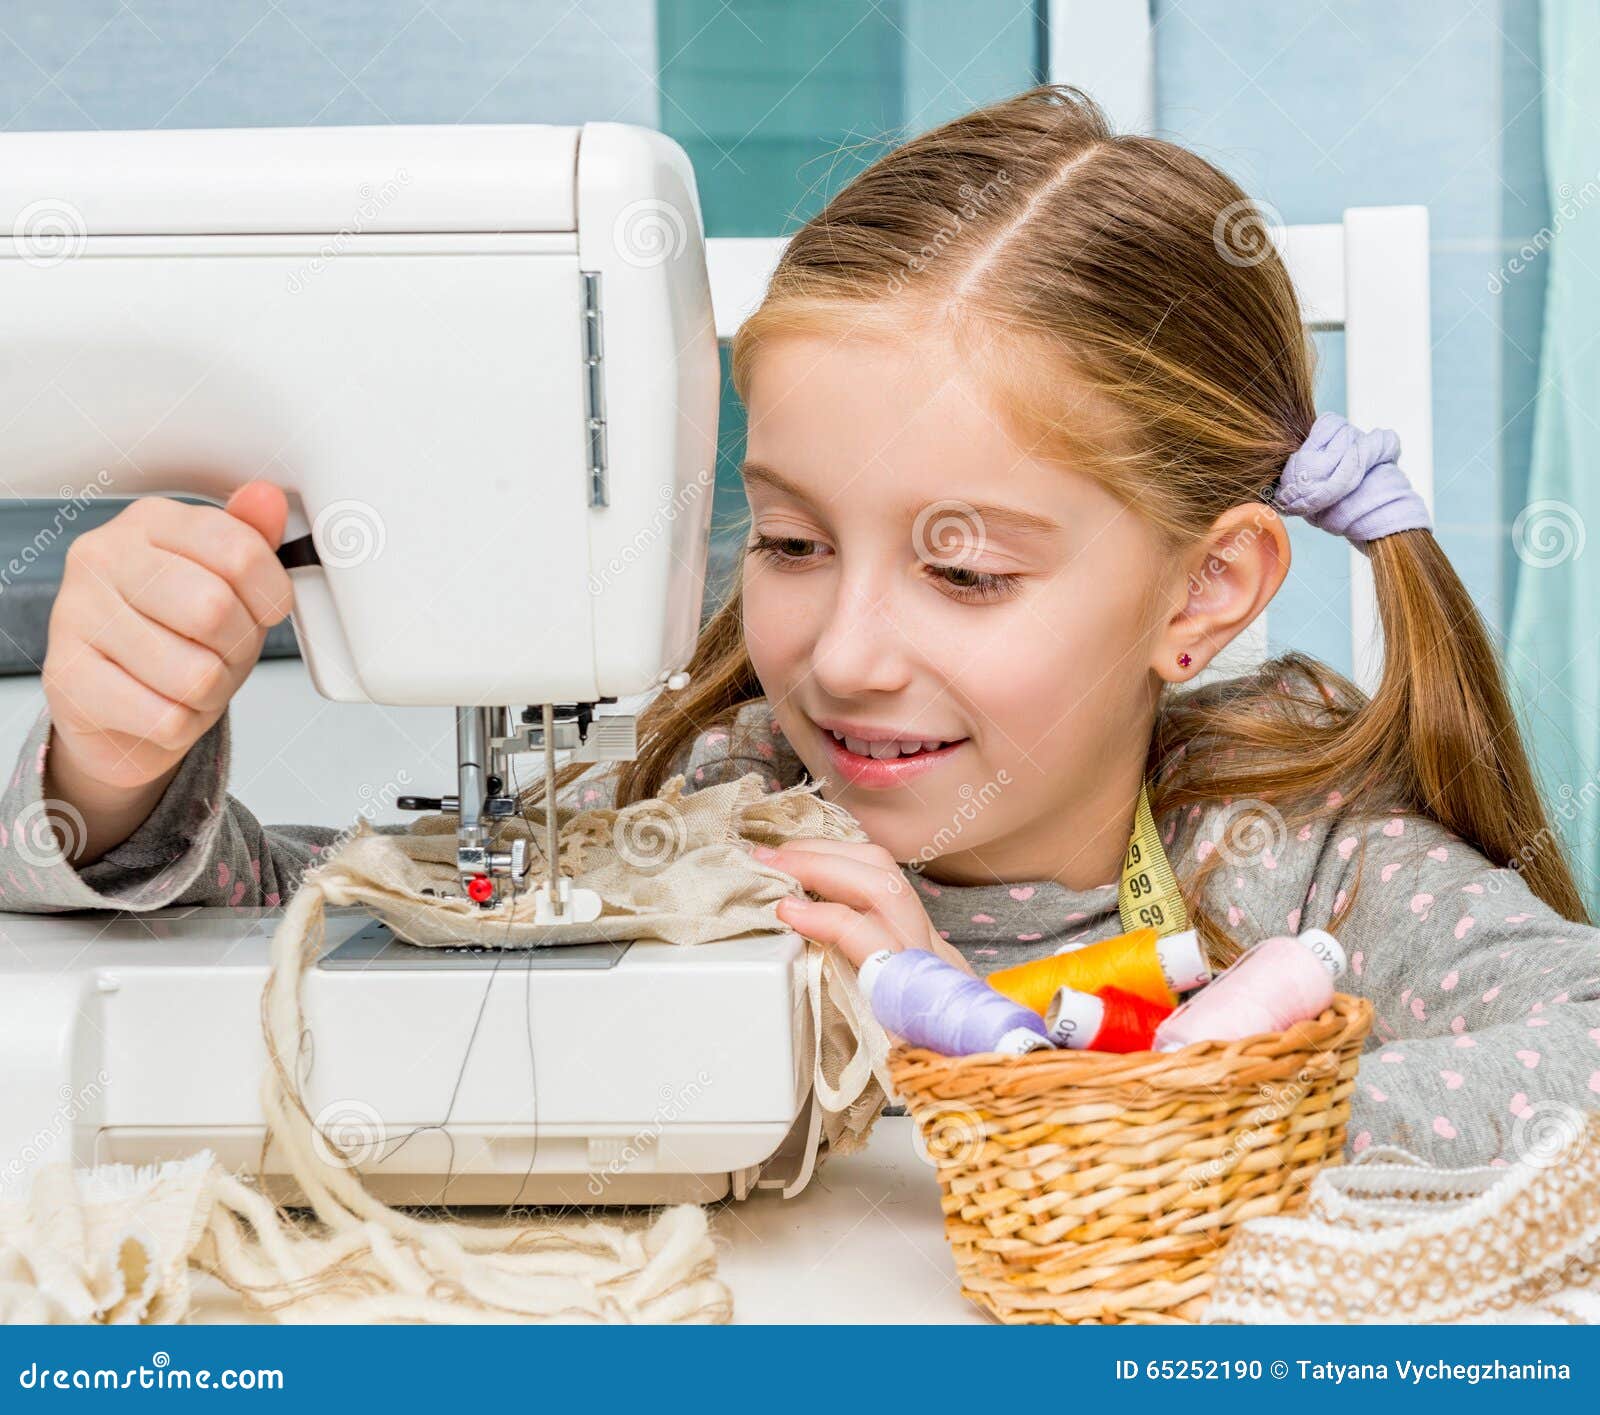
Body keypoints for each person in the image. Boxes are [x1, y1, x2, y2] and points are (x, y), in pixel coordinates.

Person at [6, 86, 1595, 1168]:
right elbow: (326, 924)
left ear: (1204, 595)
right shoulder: (720, 813)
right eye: (787, 541)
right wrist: (119, 768)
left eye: (965, 573)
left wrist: (1012, 1074)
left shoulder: (1296, 854)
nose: (841, 654)